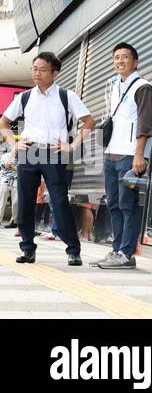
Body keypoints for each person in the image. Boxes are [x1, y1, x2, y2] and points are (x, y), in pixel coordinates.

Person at [0, 52, 94, 266]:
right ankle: (27, 248)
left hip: (54, 153)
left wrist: (72, 146)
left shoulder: (66, 96)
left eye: (43, 70)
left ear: (55, 72)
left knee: (59, 202)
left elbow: (89, 122)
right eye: (34, 69)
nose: (37, 74)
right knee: (25, 202)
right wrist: (15, 145)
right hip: (29, 152)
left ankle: (73, 250)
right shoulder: (24, 97)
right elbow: (4, 122)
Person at [96, 43, 152, 270]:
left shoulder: (143, 86)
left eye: (125, 57)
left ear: (136, 62)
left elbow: (145, 123)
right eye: (116, 57)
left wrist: (139, 154)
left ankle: (127, 253)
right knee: (113, 203)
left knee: (127, 205)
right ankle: (117, 249)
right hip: (111, 154)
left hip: (130, 155)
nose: (119, 61)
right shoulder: (116, 86)